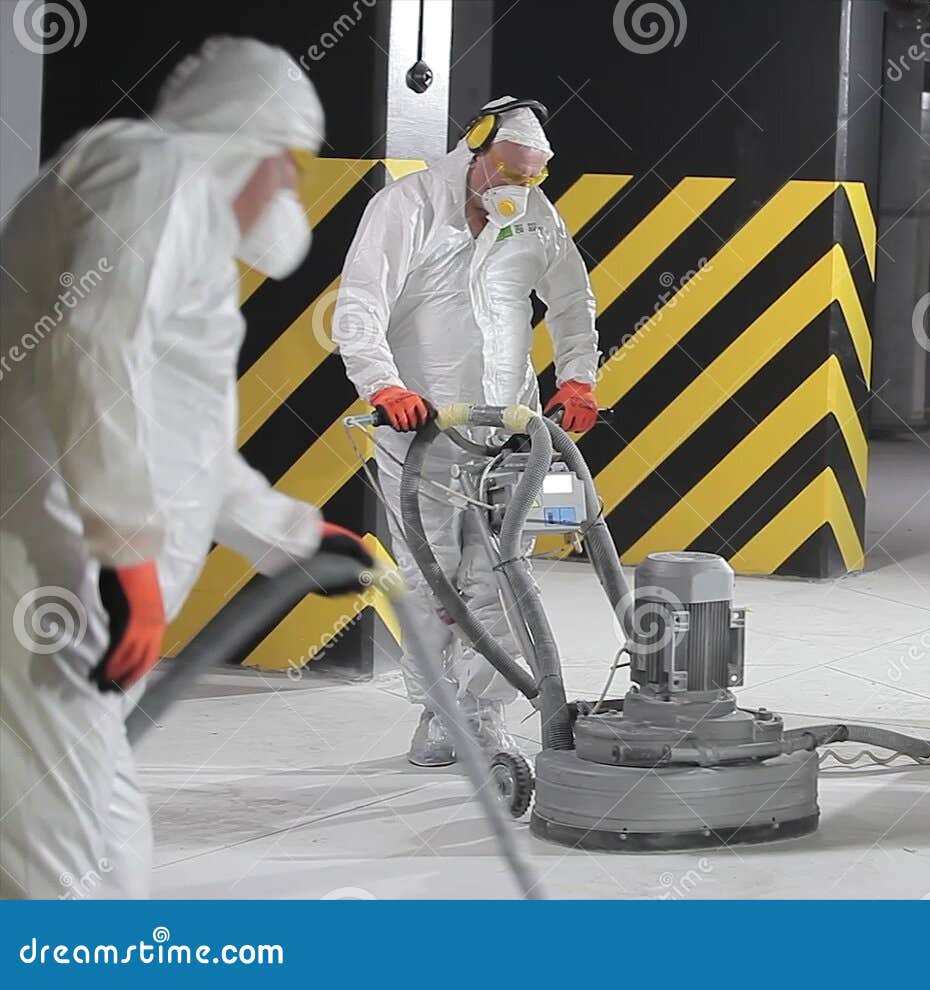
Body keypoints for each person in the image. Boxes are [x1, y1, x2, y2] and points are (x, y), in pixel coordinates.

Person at [0, 37, 370, 900]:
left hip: (79, 575)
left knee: (93, 815)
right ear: (241, 141)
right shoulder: (153, 168)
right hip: (45, 569)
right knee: (57, 846)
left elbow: (182, 437)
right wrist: (128, 548)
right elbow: (93, 352)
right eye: (285, 164)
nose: (288, 189)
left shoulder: (184, 224)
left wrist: (293, 535)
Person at [332, 96, 600, 767]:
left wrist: (578, 378)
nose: (520, 190)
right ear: (474, 151)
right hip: (421, 431)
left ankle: (481, 714)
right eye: (510, 174)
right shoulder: (409, 208)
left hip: (512, 430)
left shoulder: (534, 218)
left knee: (508, 573)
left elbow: (572, 300)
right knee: (434, 577)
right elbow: (361, 300)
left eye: (533, 179)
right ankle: (437, 713)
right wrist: (382, 385)